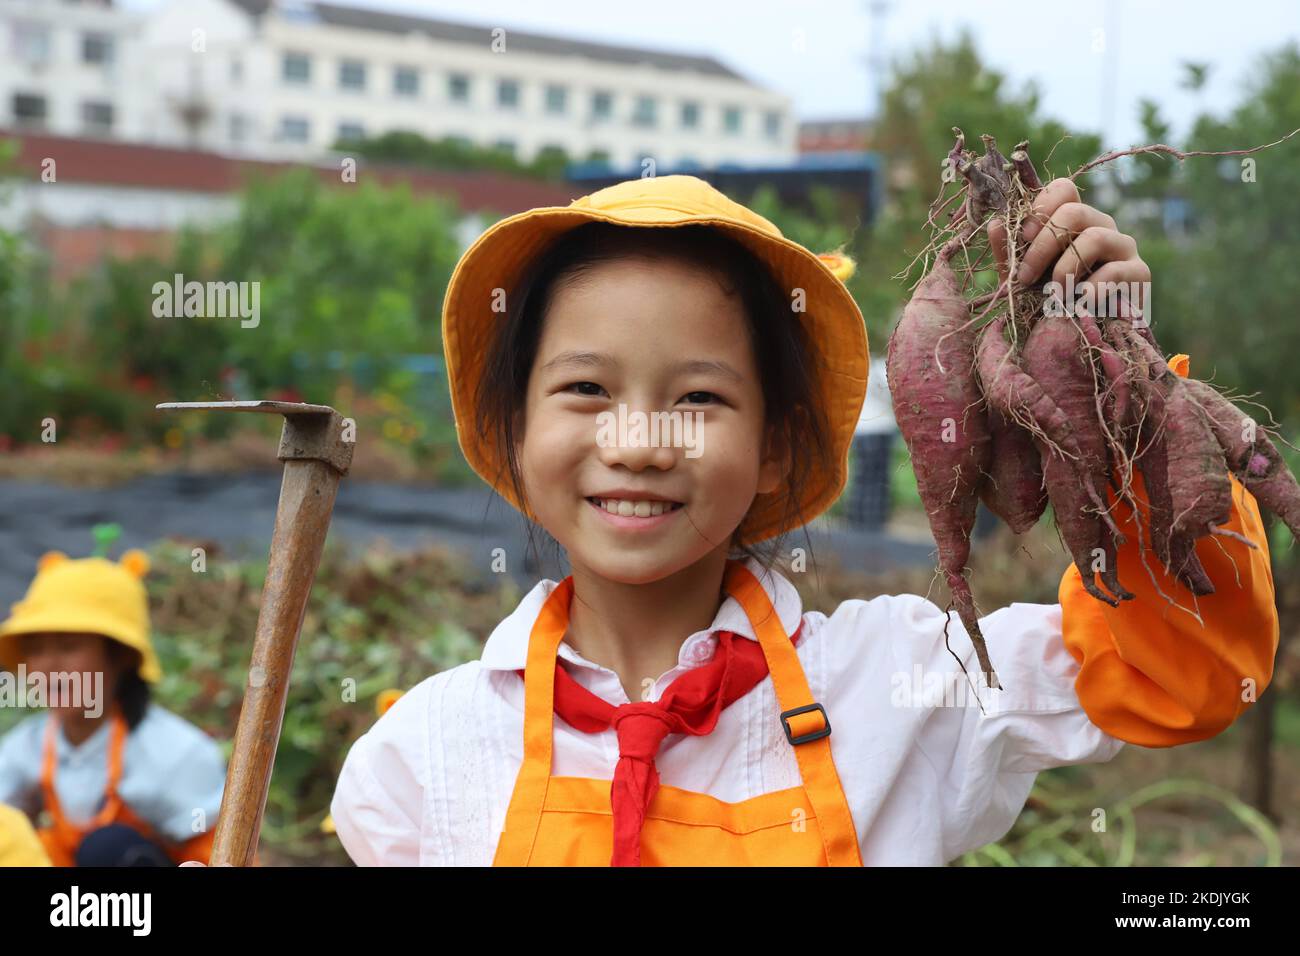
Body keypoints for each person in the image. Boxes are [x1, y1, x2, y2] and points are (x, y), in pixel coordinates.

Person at [330, 174, 1277, 866]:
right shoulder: (424, 757)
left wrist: (1126, 378)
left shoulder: (907, 688)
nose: (642, 441)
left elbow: (1182, 672)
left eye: (699, 398)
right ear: (516, 428)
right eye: (585, 388)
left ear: (777, 447)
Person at [0, 549, 226, 866]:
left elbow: (221, 854)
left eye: (69, 647)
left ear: (120, 656)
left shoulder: (178, 756)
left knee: (109, 847)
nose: (49, 666)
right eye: (36, 650)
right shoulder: (24, 748)